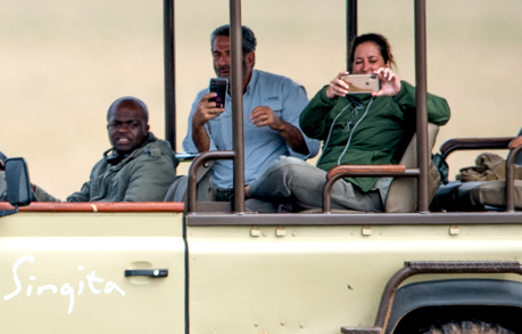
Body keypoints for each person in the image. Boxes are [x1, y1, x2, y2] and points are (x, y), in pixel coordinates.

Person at [252, 32, 450, 213]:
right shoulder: (341, 100)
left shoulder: (399, 101)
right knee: (250, 207)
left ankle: (246, 189)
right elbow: (309, 127)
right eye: (358, 62)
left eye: (373, 61)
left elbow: (442, 112)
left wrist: (401, 90)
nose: (365, 68)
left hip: (362, 191)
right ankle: (244, 197)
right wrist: (326, 96)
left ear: (386, 65)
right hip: (329, 183)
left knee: (287, 168)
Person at [187, 24, 312, 201]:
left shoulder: (285, 89)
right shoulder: (204, 99)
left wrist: (280, 125)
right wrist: (197, 124)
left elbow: (309, 147)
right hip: (219, 192)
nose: (222, 62)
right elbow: (205, 157)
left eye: (229, 54)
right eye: (217, 55)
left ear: (250, 58)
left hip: (266, 194)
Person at [65, 97, 177, 203]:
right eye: (116, 124)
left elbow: (134, 215)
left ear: (146, 129)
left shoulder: (154, 164)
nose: (123, 130)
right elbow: (74, 206)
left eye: (132, 124)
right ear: (108, 128)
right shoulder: (104, 165)